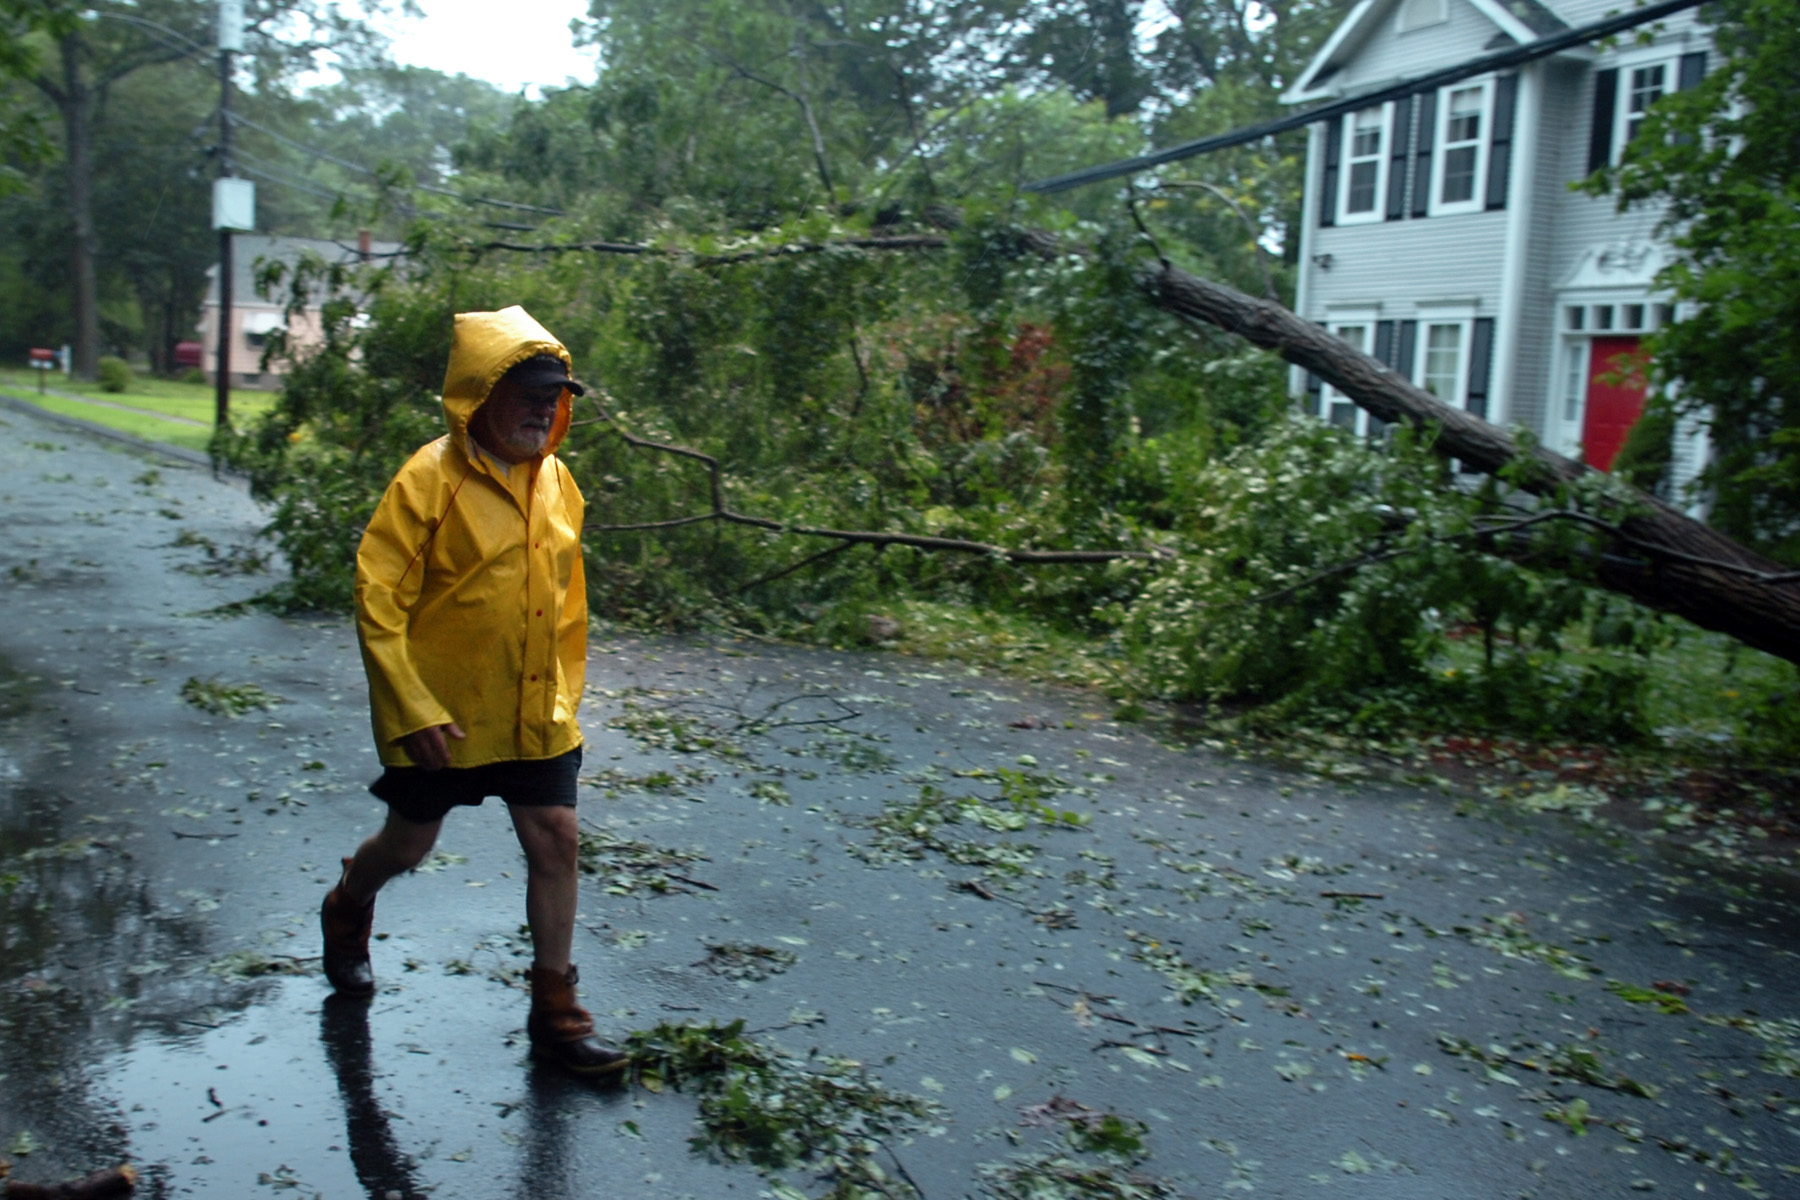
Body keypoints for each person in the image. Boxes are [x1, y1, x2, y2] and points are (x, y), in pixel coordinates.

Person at [319, 305, 625, 1077]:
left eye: (553, 396)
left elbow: (567, 600)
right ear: (476, 398)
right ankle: (349, 905)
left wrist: (565, 695)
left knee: (555, 837)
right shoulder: (429, 479)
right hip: (442, 714)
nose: (541, 409)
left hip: (534, 710)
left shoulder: (560, 483)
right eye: (525, 393)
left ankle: (555, 1012)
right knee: (410, 843)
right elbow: (377, 594)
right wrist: (409, 704)